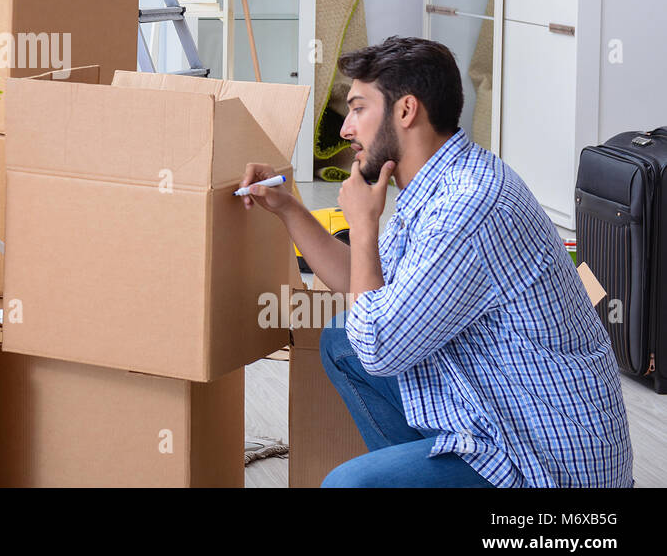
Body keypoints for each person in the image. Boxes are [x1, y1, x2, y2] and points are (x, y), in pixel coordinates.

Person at [238, 36, 633, 488]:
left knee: (348, 485)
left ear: (406, 111)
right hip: (495, 409)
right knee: (340, 338)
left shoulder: (468, 209)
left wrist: (364, 226)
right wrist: (290, 208)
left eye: (359, 108)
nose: (346, 129)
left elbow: (380, 348)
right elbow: (364, 285)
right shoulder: (442, 180)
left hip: (542, 462)